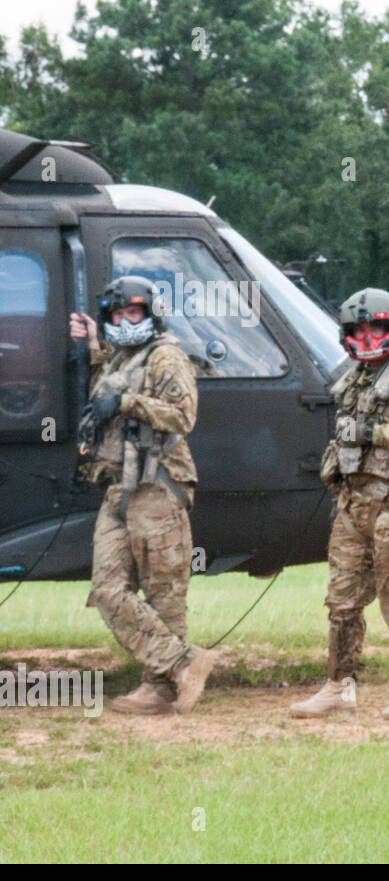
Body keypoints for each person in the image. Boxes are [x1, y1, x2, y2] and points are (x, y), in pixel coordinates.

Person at [290, 289, 389, 720]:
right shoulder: (355, 379)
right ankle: (339, 685)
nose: (367, 335)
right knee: (341, 601)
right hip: (352, 507)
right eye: (357, 329)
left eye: (374, 326)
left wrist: (375, 433)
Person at [70, 276, 216, 715]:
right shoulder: (119, 361)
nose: (123, 321)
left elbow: (182, 416)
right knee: (108, 590)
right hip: (117, 488)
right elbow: (106, 390)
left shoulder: (165, 356)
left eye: (132, 313)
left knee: (164, 590)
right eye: (116, 314)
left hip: (156, 485)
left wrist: (128, 404)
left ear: (150, 314)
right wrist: (97, 347)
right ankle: (183, 663)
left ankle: (159, 688)